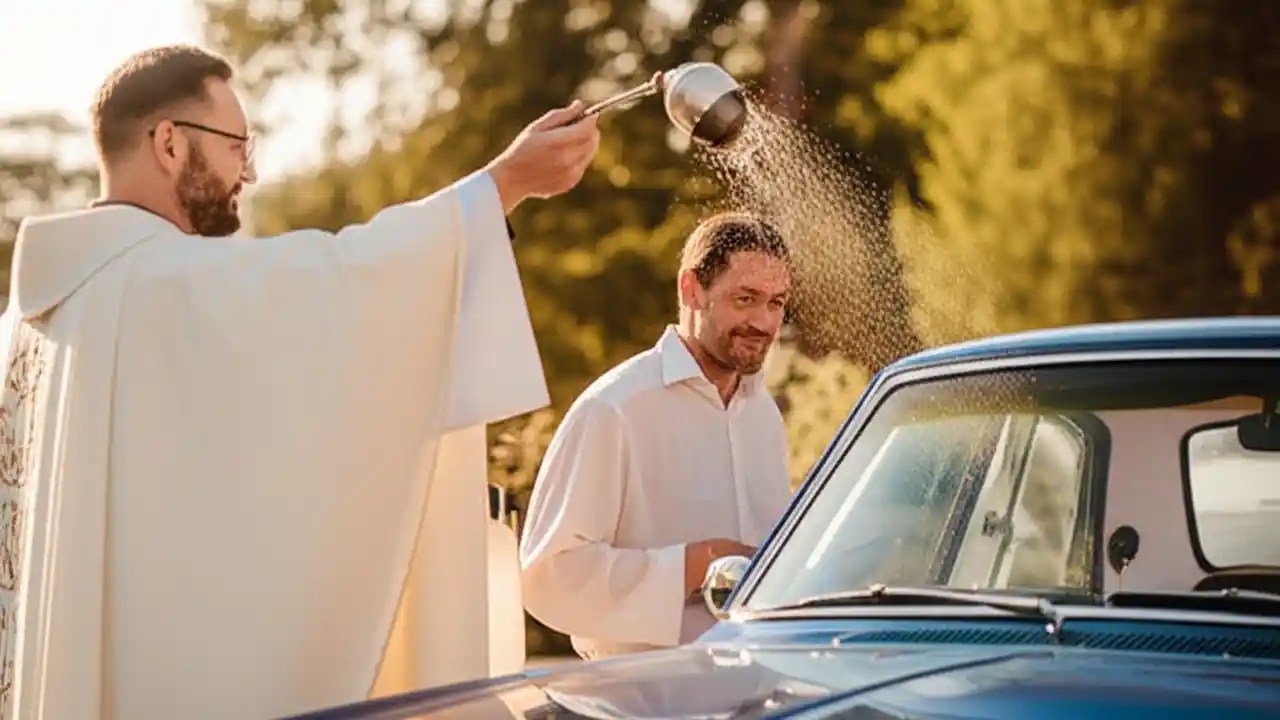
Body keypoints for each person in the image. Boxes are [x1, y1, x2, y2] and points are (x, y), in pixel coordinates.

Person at [0, 44, 599, 719]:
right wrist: (502, 185)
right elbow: (345, 282)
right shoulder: (158, 285)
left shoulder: (29, 318)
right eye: (236, 145)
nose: (249, 172)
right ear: (168, 143)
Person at [520, 212, 794, 659]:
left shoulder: (764, 415)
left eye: (776, 303)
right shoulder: (613, 409)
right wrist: (699, 563)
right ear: (691, 289)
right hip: (639, 699)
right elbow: (549, 579)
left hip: (757, 693)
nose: (763, 323)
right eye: (745, 299)